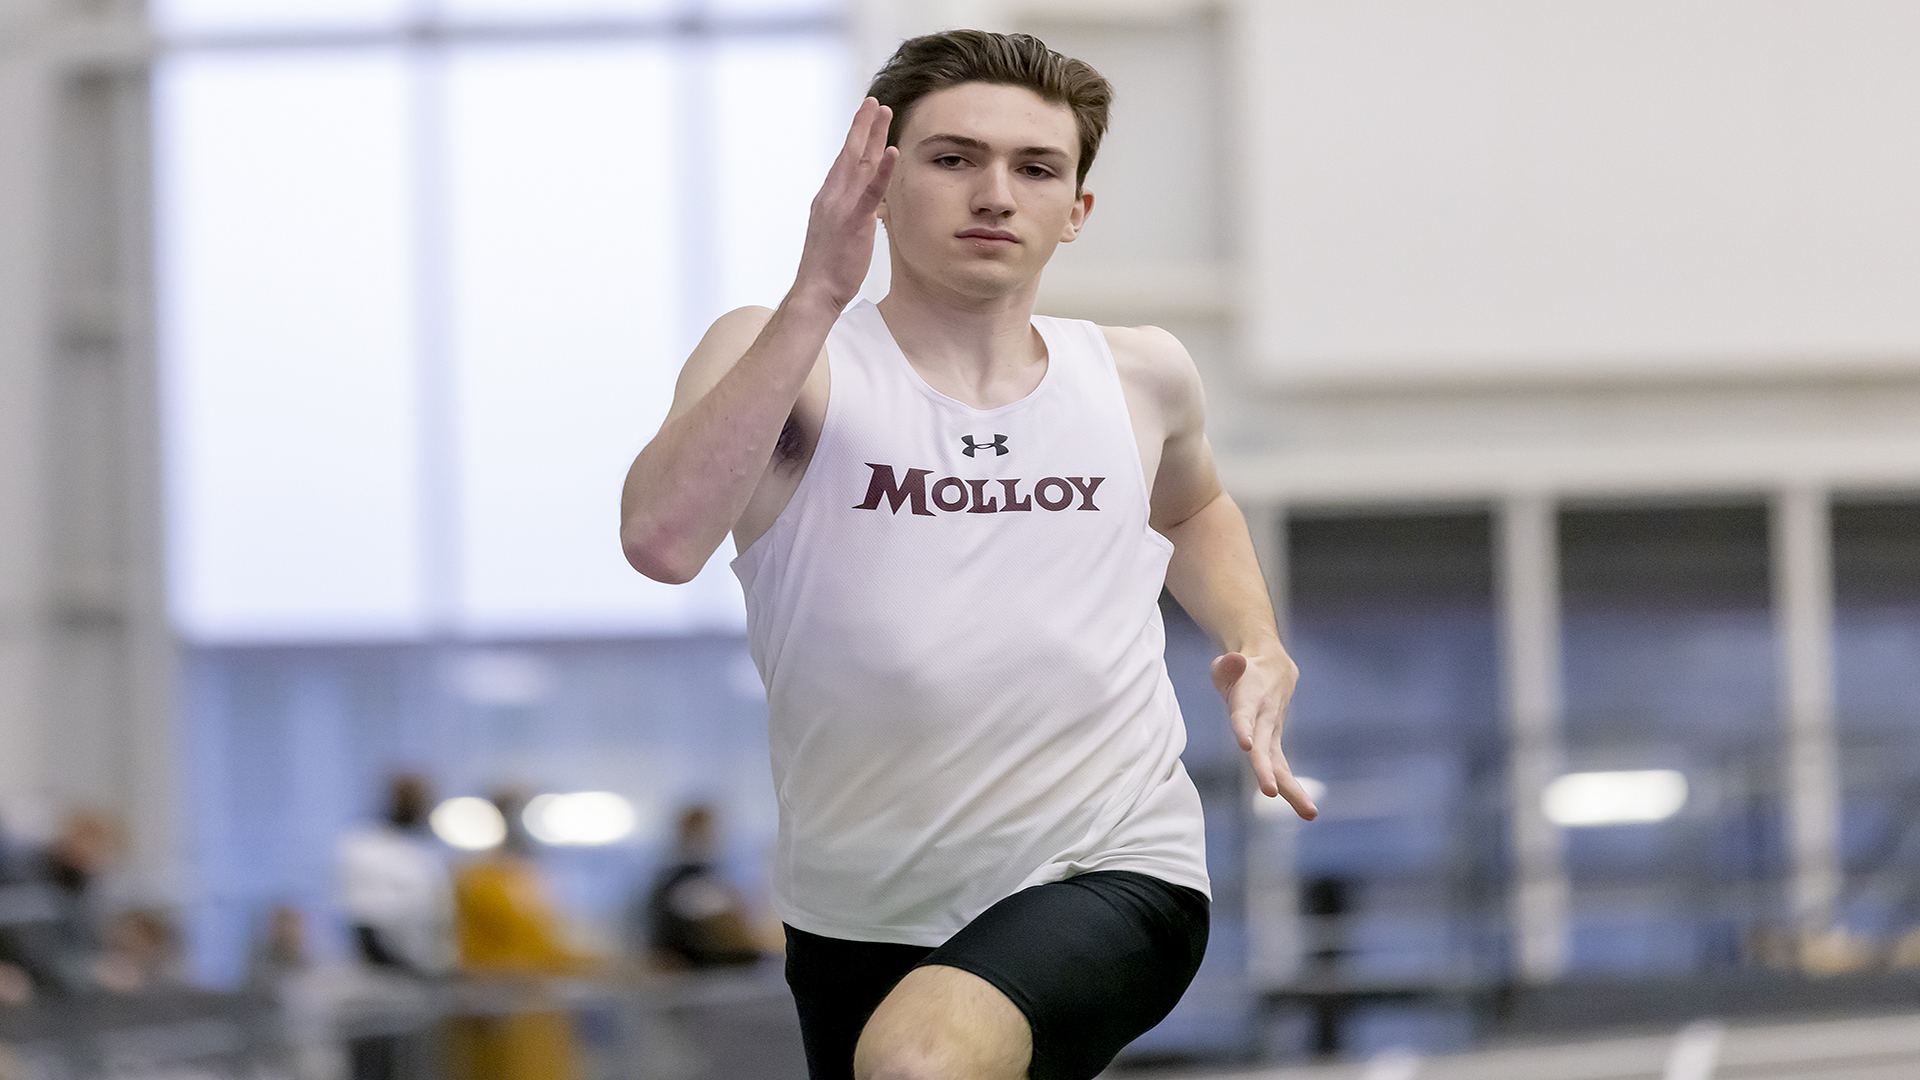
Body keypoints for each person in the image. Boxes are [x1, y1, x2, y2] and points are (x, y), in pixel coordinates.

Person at [620, 29, 1316, 1080]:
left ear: (1075, 210)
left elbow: (1195, 507)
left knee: (918, 1065)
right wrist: (817, 291)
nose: (996, 193)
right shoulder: (790, 360)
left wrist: (1258, 640)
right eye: (954, 159)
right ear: (882, 183)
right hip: (857, 905)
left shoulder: (1140, 377)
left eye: (1036, 169)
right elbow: (663, 543)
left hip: (1109, 862)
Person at [638, 804, 766, 970]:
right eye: (706, 830)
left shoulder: (709, 876)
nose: (713, 835)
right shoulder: (684, 879)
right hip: (696, 971)